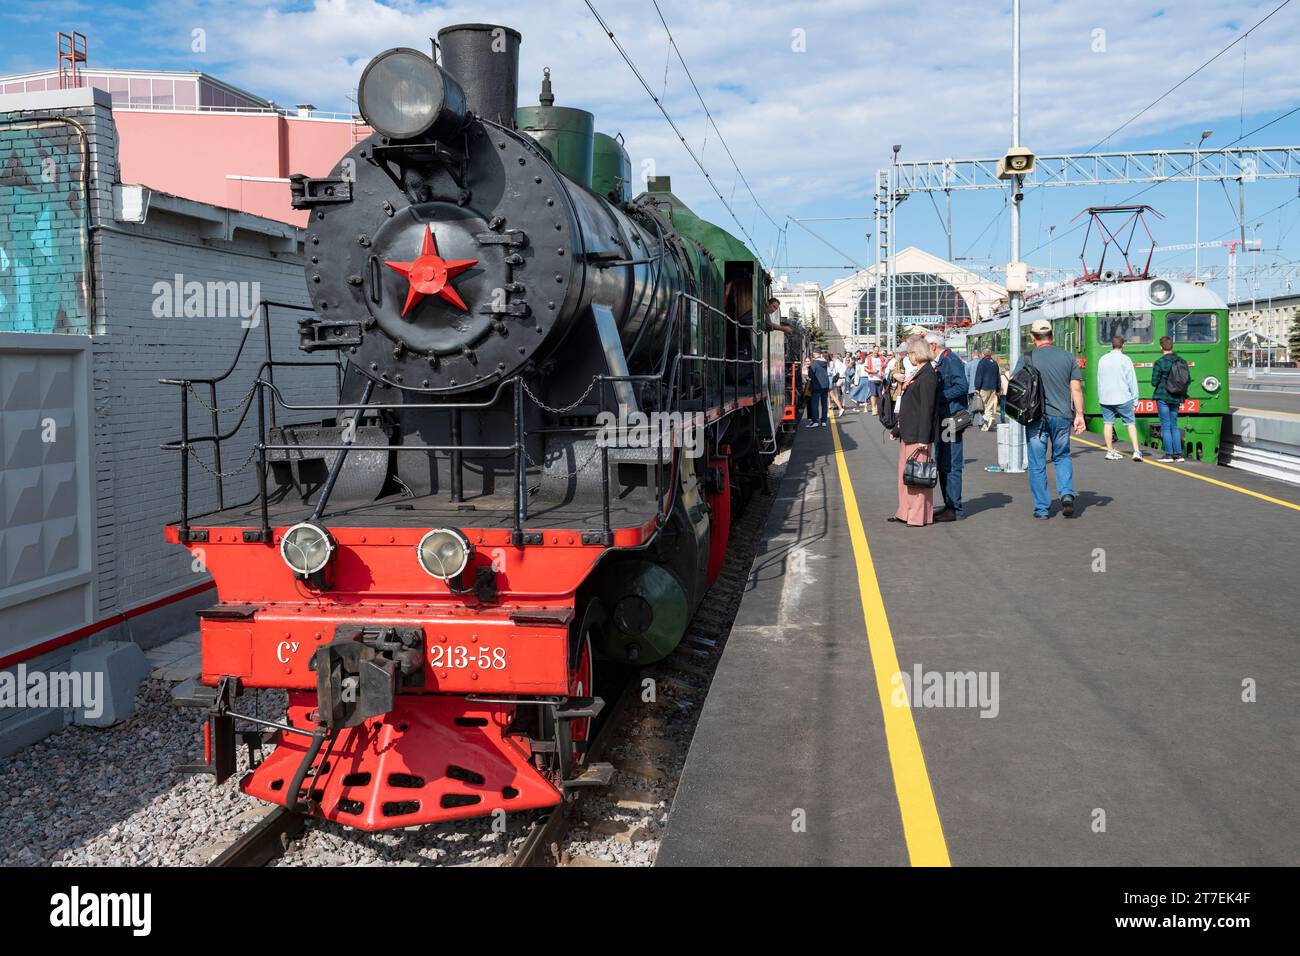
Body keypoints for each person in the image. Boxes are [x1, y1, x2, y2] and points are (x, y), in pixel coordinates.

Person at [1013, 318, 1085, 519]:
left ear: (1033, 337)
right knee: (1062, 456)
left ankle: (1042, 509)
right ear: (1052, 336)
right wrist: (1079, 415)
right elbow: (1076, 388)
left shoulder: (1027, 358)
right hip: (1062, 416)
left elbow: (1015, 385)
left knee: (1037, 463)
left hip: (1036, 418)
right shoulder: (1067, 356)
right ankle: (1067, 494)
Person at [887, 338, 940, 527]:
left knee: (918, 478)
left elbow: (927, 409)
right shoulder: (920, 373)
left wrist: (924, 438)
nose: (908, 357)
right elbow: (909, 406)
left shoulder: (927, 376)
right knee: (906, 476)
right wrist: (897, 429)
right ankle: (904, 512)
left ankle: (917, 516)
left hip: (918, 436)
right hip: (909, 432)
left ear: (917, 353)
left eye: (910, 353)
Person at [927, 333, 968, 521]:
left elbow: (962, 386)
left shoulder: (950, 360)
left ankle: (954, 508)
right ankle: (948, 505)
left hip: (951, 418)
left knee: (951, 463)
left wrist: (940, 397)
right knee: (943, 462)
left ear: (933, 345)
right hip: (945, 418)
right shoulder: (943, 361)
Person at [1096, 335, 1143, 461]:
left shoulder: (1102, 359)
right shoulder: (1125, 359)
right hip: (1123, 397)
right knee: (1130, 424)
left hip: (1105, 398)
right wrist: (1135, 399)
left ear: (1112, 345)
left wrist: (1101, 396)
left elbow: (1099, 379)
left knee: (1108, 423)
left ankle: (1110, 451)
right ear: (1123, 346)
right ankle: (1136, 451)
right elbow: (1131, 380)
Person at [1150, 335, 1187, 463]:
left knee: (1165, 426)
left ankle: (1168, 455)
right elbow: (1186, 379)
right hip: (1177, 396)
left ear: (1161, 347)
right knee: (1174, 425)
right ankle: (1179, 454)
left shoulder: (1160, 362)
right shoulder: (1181, 361)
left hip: (1163, 396)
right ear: (1172, 346)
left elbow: (1154, 382)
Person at [975, 348, 1000, 431]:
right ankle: (986, 424)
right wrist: (998, 389)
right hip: (993, 388)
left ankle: (989, 420)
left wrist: (977, 388)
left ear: (983, 354)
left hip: (984, 388)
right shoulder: (995, 363)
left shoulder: (982, 363)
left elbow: (979, 376)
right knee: (989, 406)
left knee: (983, 406)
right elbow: (998, 377)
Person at [807, 349, 831, 427]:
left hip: (816, 386)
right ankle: (824, 421)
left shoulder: (814, 364)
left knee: (815, 404)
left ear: (814, 354)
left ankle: (815, 421)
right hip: (825, 385)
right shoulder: (825, 362)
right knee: (824, 403)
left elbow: (810, 376)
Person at [862, 345, 886, 416]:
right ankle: (873, 408)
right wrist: (872, 371)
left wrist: (883, 372)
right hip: (872, 378)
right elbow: (865, 368)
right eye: (875, 350)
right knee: (873, 394)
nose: (876, 352)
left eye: (877, 350)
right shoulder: (868, 358)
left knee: (879, 395)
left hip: (880, 378)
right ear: (873, 350)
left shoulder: (881, 358)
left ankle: (878, 408)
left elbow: (884, 367)